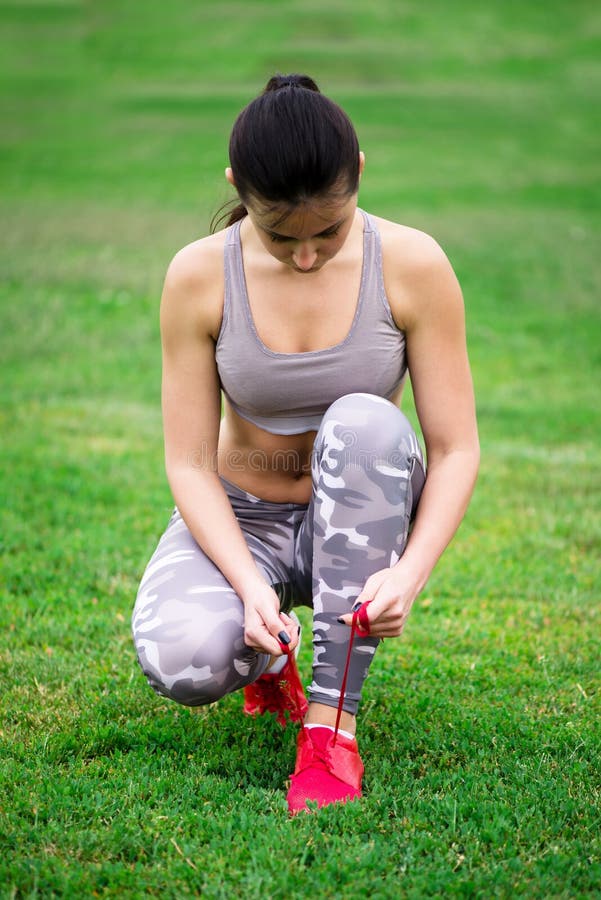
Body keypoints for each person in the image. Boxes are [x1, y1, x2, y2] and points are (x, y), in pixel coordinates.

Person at [132, 73, 479, 814]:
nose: (305, 257)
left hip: (356, 520)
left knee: (361, 422)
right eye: (278, 235)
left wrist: (409, 575)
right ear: (237, 189)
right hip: (242, 516)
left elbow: (454, 449)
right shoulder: (198, 274)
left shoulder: (412, 264)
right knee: (182, 663)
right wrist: (248, 586)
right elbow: (188, 462)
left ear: (358, 171)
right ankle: (269, 653)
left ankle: (330, 728)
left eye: (328, 231)